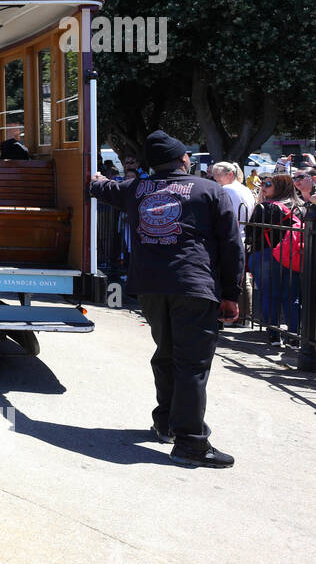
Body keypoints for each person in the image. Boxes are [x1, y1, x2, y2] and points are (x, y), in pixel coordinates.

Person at [89, 130, 243, 468]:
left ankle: (166, 423)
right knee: (192, 364)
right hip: (192, 284)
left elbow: (100, 187)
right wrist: (231, 294)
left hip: (151, 287)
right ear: (184, 159)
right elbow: (232, 245)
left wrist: (95, 175)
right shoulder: (210, 190)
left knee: (167, 354)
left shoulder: (135, 189)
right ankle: (191, 441)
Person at [246, 173, 303, 340]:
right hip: (292, 256)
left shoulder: (265, 207)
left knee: (269, 295)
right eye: (262, 184)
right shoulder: (299, 207)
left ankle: (273, 335)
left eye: (268, 184)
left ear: (280, 185)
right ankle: (294, 336)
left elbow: (250, 234)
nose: (262, 187)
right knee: (291, 296)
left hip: (266, 254)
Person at [211, 161, 255, 325]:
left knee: (232, 278)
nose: (215, 180)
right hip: (243, 236)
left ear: (230, 174)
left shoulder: (227, 190)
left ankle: (234, 315)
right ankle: (244, 316)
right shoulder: (245, 189)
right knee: (242, 278)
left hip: (232, 237)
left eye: (218, 176)